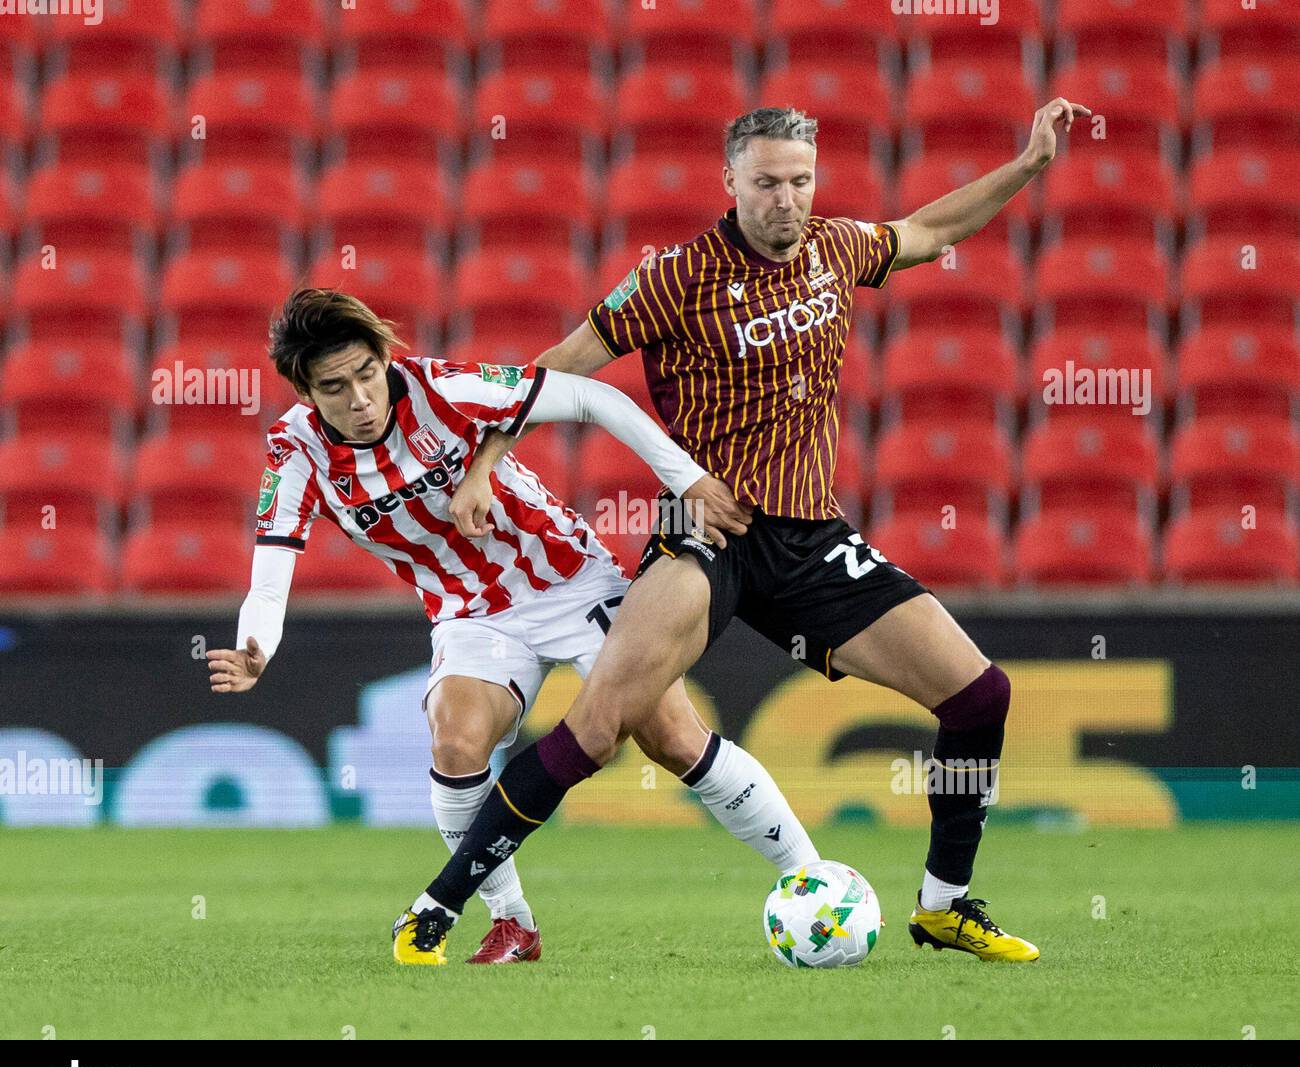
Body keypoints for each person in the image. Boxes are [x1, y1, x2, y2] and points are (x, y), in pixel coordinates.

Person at [403, 98, 1093, 964]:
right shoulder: (673, 276)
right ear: (729, 182)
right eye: (767, 182)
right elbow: (556, 368)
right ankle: (438, 908)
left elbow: (923, 230)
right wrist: (485, 462)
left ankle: (944, 905)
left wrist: (1027, 165)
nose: (787, 199)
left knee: (980, 695)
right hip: (708, 537)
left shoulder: (838, 248)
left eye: (800, 180)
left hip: (810, 540)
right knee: (597, 726)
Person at [206, 288, 821, 965]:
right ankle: (512, 924)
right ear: (304, 391)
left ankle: (812, 878)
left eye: (366, 373)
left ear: (384, 359)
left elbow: (593, 399)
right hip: (470, 610)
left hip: (568, 580)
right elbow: (271, 569)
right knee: (456, 742)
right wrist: (258, 646)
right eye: (333, 387)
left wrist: (687, 480)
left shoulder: (441, 389)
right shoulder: (295, 452)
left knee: (672, 739)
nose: (358, 398)